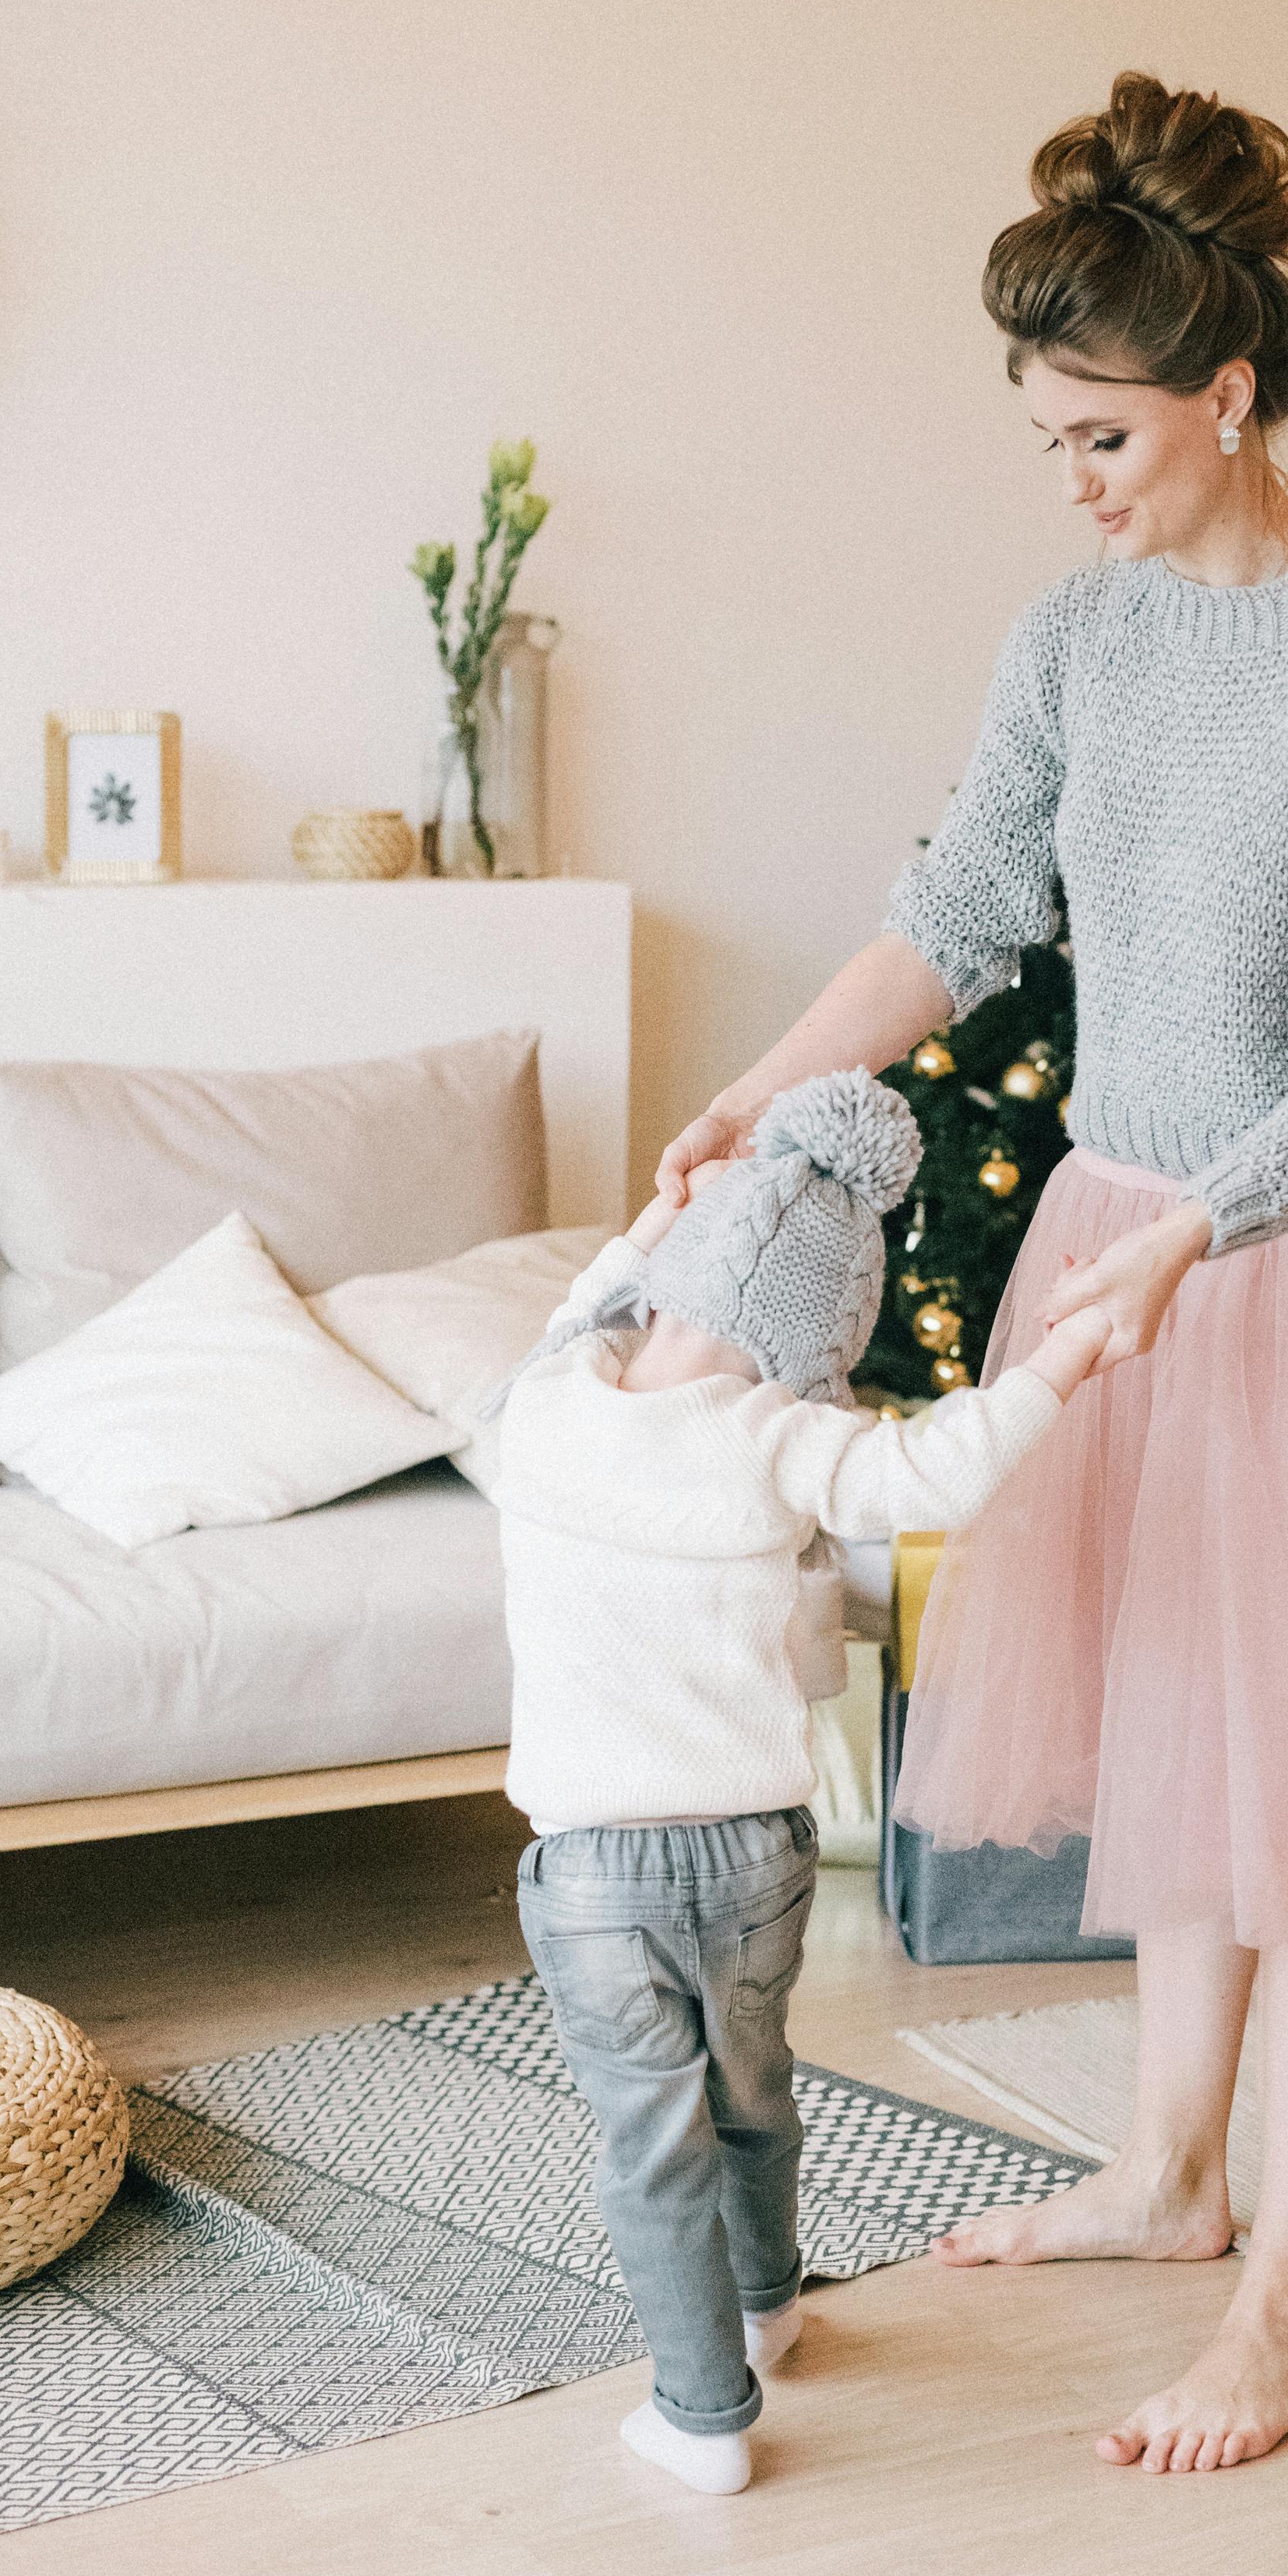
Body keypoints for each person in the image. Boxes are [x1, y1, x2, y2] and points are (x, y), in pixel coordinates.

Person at [657, 74, 1288, 2475]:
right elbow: (958, 914)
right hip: (1122, 1243)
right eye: (1045, 438)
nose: (1069, 476)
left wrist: (1206, 1220)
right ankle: (1170, 2181)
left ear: (1228, 391)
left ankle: (1284, 2302)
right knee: (1180, 1730)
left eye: (1099, 432)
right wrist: (763, 1089)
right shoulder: (1070, 638)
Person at [491, 1069, 1128, 2495]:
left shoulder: (537, 1414)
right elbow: (942, 1473)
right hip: (753, 1859)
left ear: (662, 1292)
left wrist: (647, 1227)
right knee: (753, 2089)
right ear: (812, 1346)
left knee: (648, 2145)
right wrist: (1067, 1355)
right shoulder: (776, 1445)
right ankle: (771, 2304)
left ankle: (701, 2419)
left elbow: (565, 1325)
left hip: (594, 1873)